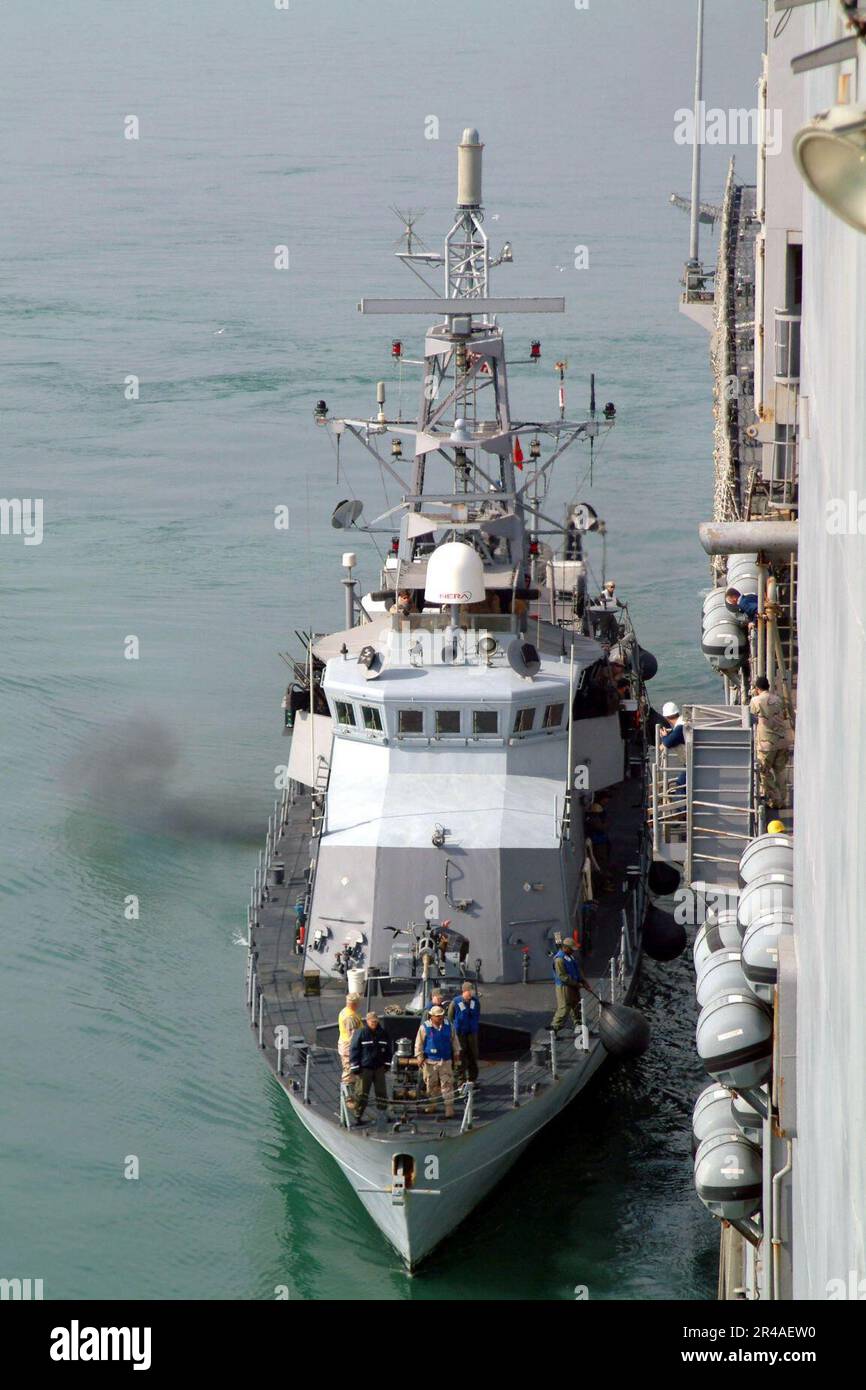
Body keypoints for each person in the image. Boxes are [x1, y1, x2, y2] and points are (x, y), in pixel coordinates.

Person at [749, 675, 794, 810]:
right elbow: (785, 714)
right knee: (780, 771)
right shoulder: (778, 699)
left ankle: (775, 800)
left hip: (765, 744)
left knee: (764, 772)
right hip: (782, 741)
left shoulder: (756, 700)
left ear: (757, 689)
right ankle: (783, 799)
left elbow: (751, 717)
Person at [414, 1005, 460, 1118]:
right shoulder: (424, 1028)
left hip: (445, 1061)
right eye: (437, 1016)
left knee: (447, 1085)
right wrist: (419, 1057)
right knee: (431, 1085)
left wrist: (456, 1053)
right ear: (431, 1016)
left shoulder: (449, 1026)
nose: (440, 1018)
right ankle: (432, 1105)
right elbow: (418, 1044)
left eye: (441, 1015)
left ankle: (449, 1108)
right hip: (430, 1061)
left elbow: (455, 1041)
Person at [349, 1011, 392, 1125]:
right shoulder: (361, 1033)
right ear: (367, 1021)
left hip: (379, 1068)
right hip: (365, 1069)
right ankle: (357, 1116)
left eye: (375, 1021)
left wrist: (387, 1064)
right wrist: (355, 1067)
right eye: (372, 1021)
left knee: (381, 1093)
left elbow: (388, 1050)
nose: (374, 1023)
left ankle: (383, 1115)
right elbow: (354, 1050)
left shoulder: (383, 1033)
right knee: (362, 1093)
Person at [550, 940, 588, 1034]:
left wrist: (583, 981)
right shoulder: (559, 960)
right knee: (564, 1008)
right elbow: (563, 976)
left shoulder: (569, 957)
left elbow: (576, 969)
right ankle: (554, 1029)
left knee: (576, 1005)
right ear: (565, 947)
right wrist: (577, 984)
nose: (573, 951)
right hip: (564, 987)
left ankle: (578, 1025)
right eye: (571, 949)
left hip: (573, 985)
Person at [449, 984, 481, 1084]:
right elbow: (450, 1017)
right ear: (464, 991)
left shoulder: (475, 1002)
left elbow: (477, 1014)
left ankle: (472, 1079)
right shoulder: (455, 1002)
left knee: (473, 1055)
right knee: (460, 1057)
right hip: (460, 1034)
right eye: (470, 991)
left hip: (472, 1033)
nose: (472, 993)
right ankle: (460, 1081)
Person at [337, 993, 363, 1105]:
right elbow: (353, 1035)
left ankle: (350, 1095)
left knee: (351, 1071)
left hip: (345, 1044)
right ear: (355, 1004)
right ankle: (347, 1098)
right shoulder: (350, 1017)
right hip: (349, 1048)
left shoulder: (345, 1011)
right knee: (348, 1071)